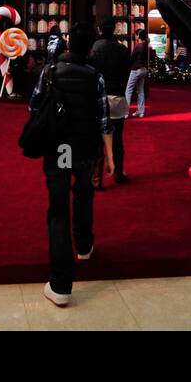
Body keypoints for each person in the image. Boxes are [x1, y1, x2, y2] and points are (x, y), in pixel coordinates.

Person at [32, 21, 115, 308]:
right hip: (85, 148)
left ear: (68, 42)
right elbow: (104, 117)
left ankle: (60, 284)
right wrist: (110, 155)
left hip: (57, 147)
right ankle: (84, 245)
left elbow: (34, 105)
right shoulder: (96, 76)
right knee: (83, 194)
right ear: (91, 46)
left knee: (57, 210)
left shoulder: (51, 72)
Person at [89, 17, 131, 185]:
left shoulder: (93, 49)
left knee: (98, 139)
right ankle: (119, 173)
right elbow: (126, 73)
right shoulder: (123, 50)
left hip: (98, 98)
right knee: (118, 139)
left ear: (99, 29)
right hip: (117, 97)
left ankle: (97, 179)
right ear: (115, 29)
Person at [126, 27, 149, 118]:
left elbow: (131, 59)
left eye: (136, 35)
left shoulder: (138, 46)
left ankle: (125, 112)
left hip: (136, 70)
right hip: (143, 69)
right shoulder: (146, 45)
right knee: (140, 91)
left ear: (138, 36)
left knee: (128, 90)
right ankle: (141, 112)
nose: (135, 36)